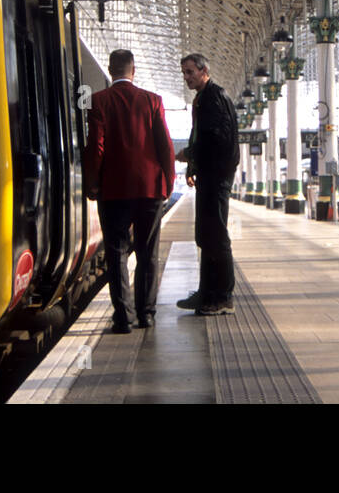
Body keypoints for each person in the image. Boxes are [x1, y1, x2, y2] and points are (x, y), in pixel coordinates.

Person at [84, 50, 176, 333]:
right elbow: (165, 146)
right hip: (150, 190)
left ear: (111, 71)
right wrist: (168, 183)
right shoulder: (153, 101)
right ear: (133, 70)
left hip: (113, 191)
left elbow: (96, 146)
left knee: (117, 253)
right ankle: (146, 314)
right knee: (148, 253)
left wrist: (93, 183)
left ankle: (123, 317)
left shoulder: (99, 101)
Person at [175, 53, 239, 316]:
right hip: (209, 175)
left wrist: (189, 154)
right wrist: (193, 166)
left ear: (204, 71)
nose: (186, 77)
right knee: (206, 234)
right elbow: (200, 135)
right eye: (184, 73)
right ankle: (206, 292)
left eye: (190, 72)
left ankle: (222, 296)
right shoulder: (203, 98)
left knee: (216, 234)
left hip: (218, 176)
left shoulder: (215, 97)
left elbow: (216, 138)